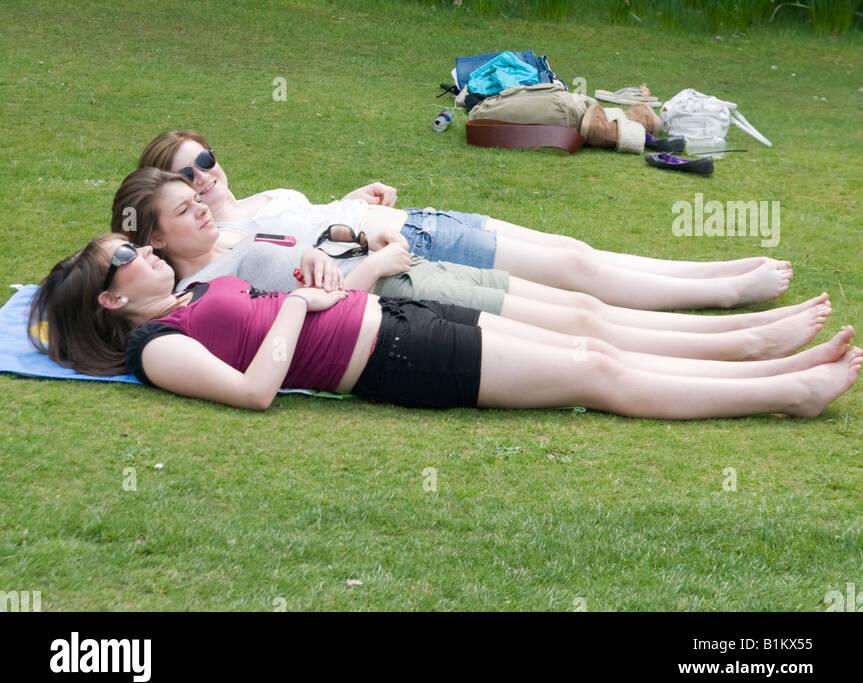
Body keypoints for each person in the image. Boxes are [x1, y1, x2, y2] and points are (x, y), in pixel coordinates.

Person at [30, 230, 860, 419]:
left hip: (395, 314)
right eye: (126, 255)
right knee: (590, 374)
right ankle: (782, 389)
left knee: (590, 343)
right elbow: (254, 392)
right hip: (395, 359)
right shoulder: (154, 347)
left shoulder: (185, 301)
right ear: (109, 298)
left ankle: (752, 349)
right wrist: (292, 304)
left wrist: (344, 279)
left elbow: (295, 320)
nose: (144, 251)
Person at [112, 168, 836, 359]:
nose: (203, 200)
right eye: (183, 205)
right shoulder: (212, 285)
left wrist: (354, 230)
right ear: (154, 240)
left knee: (580, 288)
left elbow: (315, 245)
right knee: (582, 320)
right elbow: (299, 309)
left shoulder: (239, 235)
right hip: (401, 290)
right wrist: (374, 259)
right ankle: (734, 332)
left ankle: (721, 303)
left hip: (404, 254)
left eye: (200, 183)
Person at [135, 129, 795, 312]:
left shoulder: (262, 201)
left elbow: (309, 222)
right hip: (407, 250)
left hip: (418, 220)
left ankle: (710, 272)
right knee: (571, 272)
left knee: (573, 250)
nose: (205, 176)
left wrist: (349, 197)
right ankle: (721, 292)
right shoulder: (224, 242)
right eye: (187, 176)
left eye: (207, 159)